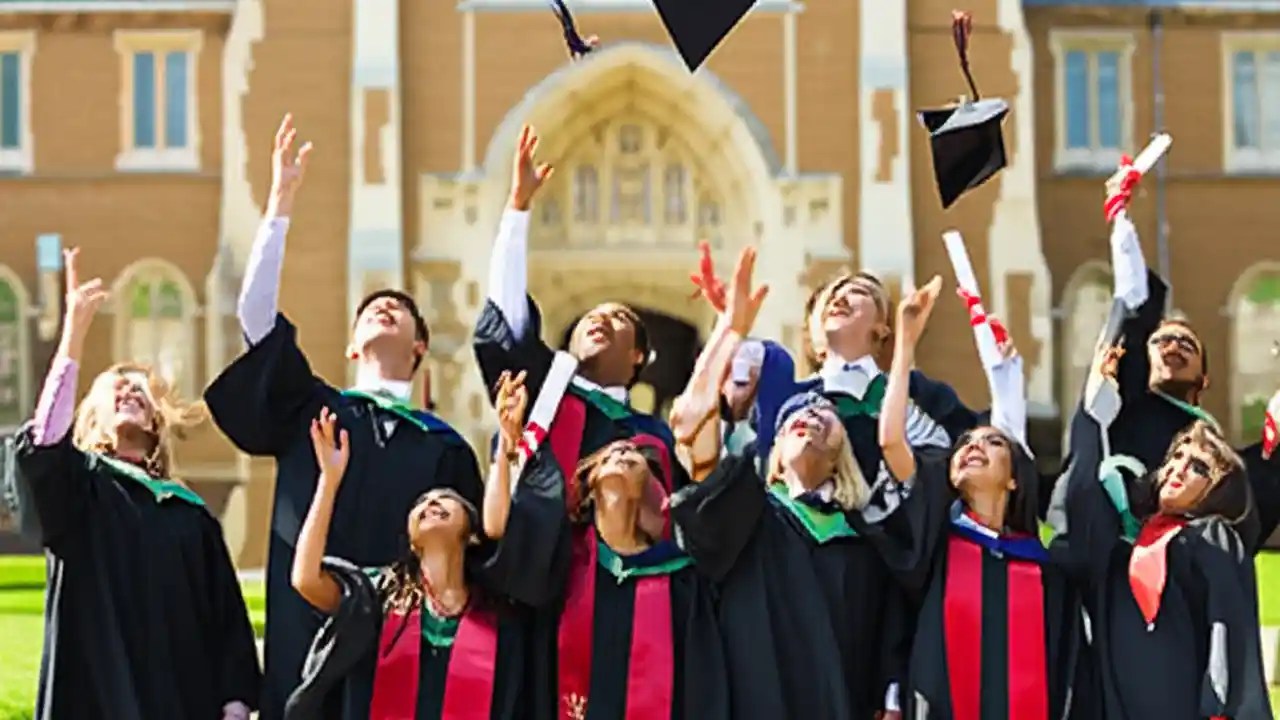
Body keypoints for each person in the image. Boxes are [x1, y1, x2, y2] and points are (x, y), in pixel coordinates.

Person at [204, 114, 483, 718]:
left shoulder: (446, 449)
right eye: (373, 309)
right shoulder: (313, 407)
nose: (385, 308)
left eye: (400, 310)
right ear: (352, 347)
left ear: (419, 349)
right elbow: (255, 319)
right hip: (306, 642)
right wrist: (280, 201)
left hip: (402, 650)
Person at [9, 248, 260, 719]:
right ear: (91, 418)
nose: (128, 391)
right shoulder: (78, 489)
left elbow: (225, 620)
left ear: (156, 422)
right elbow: (43, 443)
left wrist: (235, 703)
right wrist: (74, 337)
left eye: (138, 391)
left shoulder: (190, 514)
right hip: (96, 695)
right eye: (114, 389)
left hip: (182, 700)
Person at [668, 248, 908, 720]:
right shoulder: (746, 514)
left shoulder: (861, 545)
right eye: (798, 413)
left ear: (845, 455)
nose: (813, 415)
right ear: (771, 449)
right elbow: (690, 422)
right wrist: (729, 331)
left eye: (825, 415)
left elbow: (889, 642)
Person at [865, 275, 1086, 719]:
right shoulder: (936, 540)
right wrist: (905, 344)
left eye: (993, 443)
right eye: (965, 442)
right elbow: (891, 442)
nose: (973, 447)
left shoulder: (1045, 570)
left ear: (1015, 480)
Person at [1054, 161, 1280, 546]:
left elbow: (1257, 485)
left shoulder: (1211, 446)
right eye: (1161, 342)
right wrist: (1121, 224)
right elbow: (1132, 314)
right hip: (1113, 565)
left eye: (1187, 345)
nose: (1173, 345)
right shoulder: (1124, 406)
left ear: (1203, 380)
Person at [484, 370, 728, 720]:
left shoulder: (681, 580)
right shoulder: (560, 561)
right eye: (610, 453)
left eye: (634, 453)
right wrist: (509, 444)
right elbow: (498, 529)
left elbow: (702, 689)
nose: (622, 451)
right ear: (589, 482)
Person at [1054, 344, 1271, 719]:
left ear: (1218, 491)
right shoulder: (1119, 554)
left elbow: (1230, 640)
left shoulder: (1211, 539)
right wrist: (1094, 416)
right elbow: (1078, 500)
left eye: (1199, 468)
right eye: (1176, 458)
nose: (1178, 469)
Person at [473, 124, 676, 506]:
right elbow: (507, 316)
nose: (599, 319)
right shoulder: (540, 397)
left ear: (638, 356)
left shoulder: (653, 436)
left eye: (618, 317)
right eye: (589, 317)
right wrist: (517, 209)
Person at [284, 408, 526, 720]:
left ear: (471, 533)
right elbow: (305, 579)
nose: (431, 502)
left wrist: (506, 446)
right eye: (421, 504)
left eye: (446, 498)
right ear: (411, 542)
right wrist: (329, 482)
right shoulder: (377, 597)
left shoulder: (496, 613)